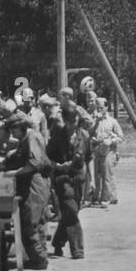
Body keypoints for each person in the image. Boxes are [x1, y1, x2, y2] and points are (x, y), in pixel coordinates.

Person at [0, 112, 51, 270]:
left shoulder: (31, 137)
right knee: (37, 222)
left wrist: (13, 173)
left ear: (21, 127)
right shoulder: (27, 138)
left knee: (30, 223)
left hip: (33, 184)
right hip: (33, 182)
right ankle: (40, 257)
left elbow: (34, 163)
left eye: (14, 130)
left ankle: (39, 259)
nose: (12, 134)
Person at [47, 101, 91, 259]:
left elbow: (88, 159)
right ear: (65, 120)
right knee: (71, 212)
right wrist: (59, 166)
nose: (74, 123)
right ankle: (78, 250)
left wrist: (89, 181)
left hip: (79, 179)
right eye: (70, 120)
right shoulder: (57, 137)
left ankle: (58, 242)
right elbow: (47, 159)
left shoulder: (84, 136)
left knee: (70, 212)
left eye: (76, 119)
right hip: (62, 180)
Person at [90, 98, 124, 206]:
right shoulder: (93, 120)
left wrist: (111, 141)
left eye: (101, 107)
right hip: (97, 150)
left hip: (109, 151)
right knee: (97, 175)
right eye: (98, 107)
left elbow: (121, 137)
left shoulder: (112, 122)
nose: (99, 109)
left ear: (106, 107)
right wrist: (96, 122)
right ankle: (98, 196)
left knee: (107, 174)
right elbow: (89, 133)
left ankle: (107, 197)